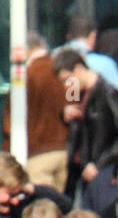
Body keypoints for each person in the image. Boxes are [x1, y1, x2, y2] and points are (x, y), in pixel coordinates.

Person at [53, 49, 118, 196]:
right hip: (78, 168)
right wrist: (65, 113)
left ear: (79, 68)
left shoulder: (108, 92)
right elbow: (75, 122)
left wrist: (100, 164)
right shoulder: (76, 91)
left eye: (68, 79)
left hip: (99, 170)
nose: (66, 85)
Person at [6, 32, 70, 193]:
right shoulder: (64, 70)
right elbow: (73, 101)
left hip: (38, 152)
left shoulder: (23, 76)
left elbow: (11, 120)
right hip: (64, 149)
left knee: (42, 210)